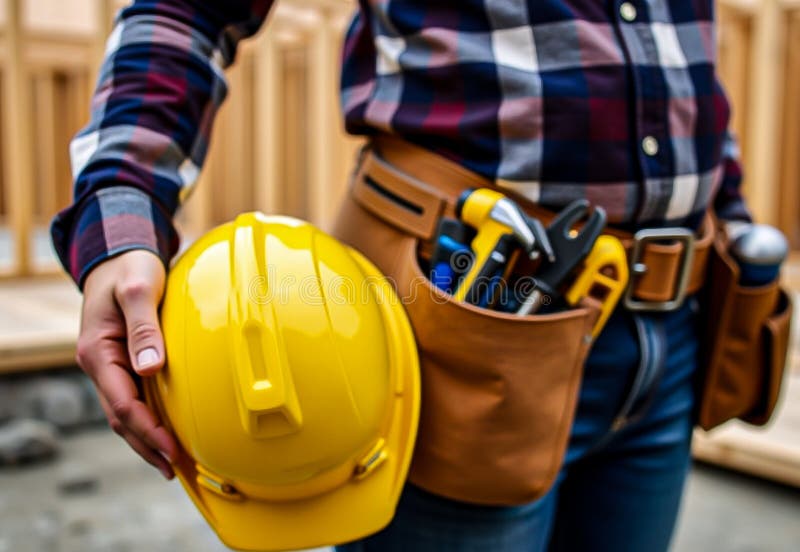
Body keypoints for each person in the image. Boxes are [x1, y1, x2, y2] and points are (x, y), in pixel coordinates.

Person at [51, 1, 751, 550]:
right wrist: (122, 209)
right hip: (458, 329)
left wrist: (735, 215)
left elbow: (681, 63)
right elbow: (186, 9)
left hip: (673, 326)